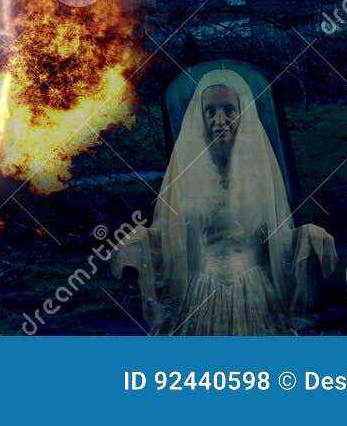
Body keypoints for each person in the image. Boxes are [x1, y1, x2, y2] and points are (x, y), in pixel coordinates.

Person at [113, 67, 334, 334]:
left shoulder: (260, 171)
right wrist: (143, 239)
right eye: (211, 111)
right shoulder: (186, 172)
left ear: (243, 113)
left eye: (229, 109)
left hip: (253, 292)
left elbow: (278, 238)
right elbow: (171, 235)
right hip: (201, 292)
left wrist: (307, 235)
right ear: (201, 116)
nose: (220, 120)